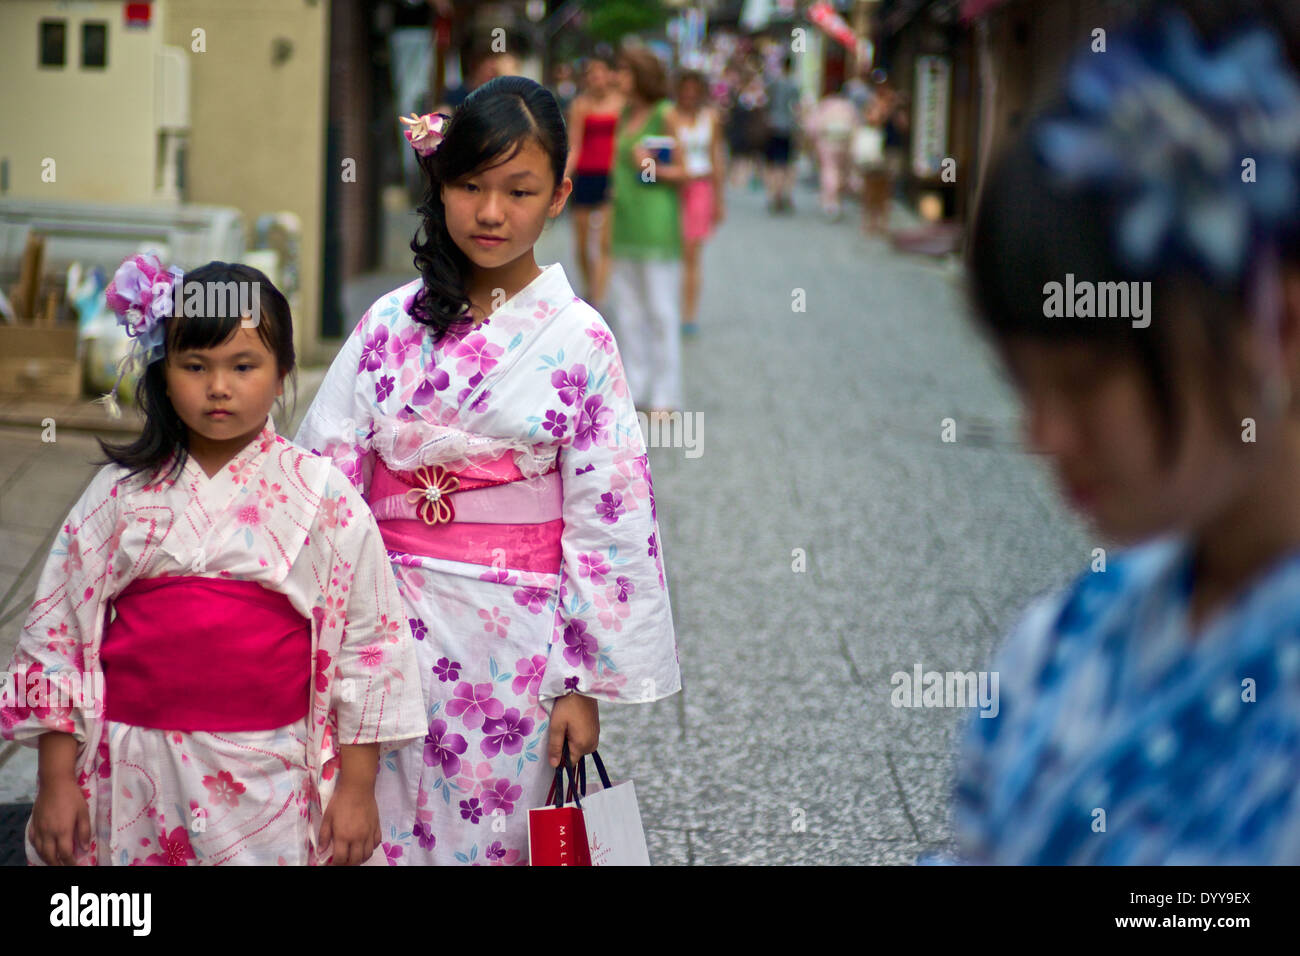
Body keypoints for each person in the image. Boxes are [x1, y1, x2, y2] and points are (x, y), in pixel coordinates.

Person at [296, 76, 680, 866]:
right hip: (381, 627)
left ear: (560, 195)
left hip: (516, 648)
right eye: (470, 186)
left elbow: (609, 517)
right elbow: (324, 476)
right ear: (440, 186)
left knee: (493, 837)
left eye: (519, 189)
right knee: (365, 827)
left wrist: (581, 681)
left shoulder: (579, 340)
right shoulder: (389, 324)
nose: (492, 212)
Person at [953, 0, 1300, 864]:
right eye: (1023, 384)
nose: (1043, 434)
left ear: (1277, 327)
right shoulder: (1057, 645)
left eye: (1082, 380)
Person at [0, 257, 425, 866]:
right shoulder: (122, 493)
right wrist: (56, 780)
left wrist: (357, 788)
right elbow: (57, 632)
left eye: (243, 366)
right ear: (164, 372)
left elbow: (371, 643)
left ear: (282, 374)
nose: (218, 386)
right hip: (136, 765)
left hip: (268, 770)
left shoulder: (322, 495)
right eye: (194, 366)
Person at [607, 46, 689, 413]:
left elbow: (684, 172)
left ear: (640, 74)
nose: (617, 78)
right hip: (625, 220)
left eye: (623, 71)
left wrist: (647, 166)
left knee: (660, 310)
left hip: (655, 222)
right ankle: (635, 386)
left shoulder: (664, 114)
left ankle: (666, 393)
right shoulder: (623, 114)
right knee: (627, 311)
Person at [563, 53, 624, 306]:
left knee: (603, 243)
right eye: (591, 73)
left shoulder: (622, 104)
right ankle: (589, 285)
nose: (596, 77)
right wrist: (563, 176)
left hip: (611, 176)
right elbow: (574, 145)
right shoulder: (580, 105)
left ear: (610, 74)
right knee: (581, 243)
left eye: (600, 71)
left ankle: (596, 301)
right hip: (585, 175)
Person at [670, 69, 726, 335]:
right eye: (685, 88)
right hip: (672, 187)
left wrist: (719, 199)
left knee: (693, 252)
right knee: (671, 250)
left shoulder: (710, 118)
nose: (689, 94)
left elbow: (716, 158)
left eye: (694, 89)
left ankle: (689, 313)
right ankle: (668, 307)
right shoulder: (668, 117)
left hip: (700, 186)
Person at [807, 82, 857, 220]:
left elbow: (813, 126)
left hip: (827, 141)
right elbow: (855, 126)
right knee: (840, 171)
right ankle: (837, 199)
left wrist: (813, 141)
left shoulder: (825, 105)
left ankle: (830, 201)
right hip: (844, 142)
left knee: (829, 169)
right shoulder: (848, 106)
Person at [763, 55, 801, 214]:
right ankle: (784, 194)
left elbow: (766, 103)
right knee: (786, 164)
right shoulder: (794, 85)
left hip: (773, 125)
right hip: (788, 126)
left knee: (773, 164)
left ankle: (774, 194)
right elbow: (797, 107)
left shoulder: (773, 83)